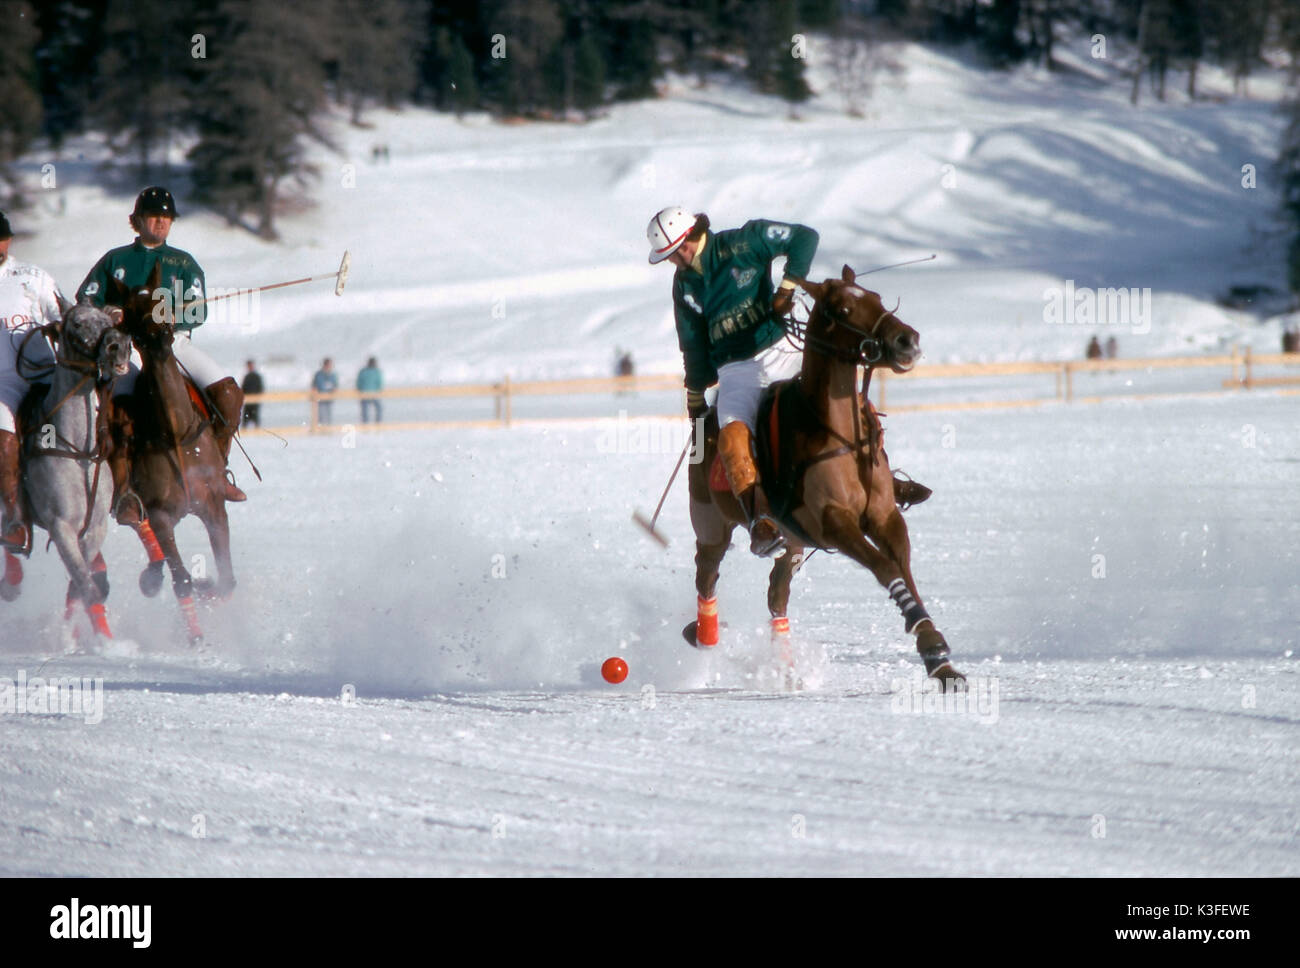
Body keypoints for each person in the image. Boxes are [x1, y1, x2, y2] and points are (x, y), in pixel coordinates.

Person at [647, 205, 818, 557]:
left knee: (832, 398)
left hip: (781, 350)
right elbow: (692, 342)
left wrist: (787, 287)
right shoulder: (684, 285)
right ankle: (760, 521)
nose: (671, 262)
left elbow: (805, 238)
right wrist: (695, 391)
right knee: (732, 437)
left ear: (685, 244)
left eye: (671, 255)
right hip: (735, 370)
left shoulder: (745, 241)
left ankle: (878, 474)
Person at [77, 186, 246, 523]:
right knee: (120, 409)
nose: (161, 223)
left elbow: (197, 311)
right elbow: (85, 300)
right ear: (137, 220)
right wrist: (107, 313)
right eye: (154, 217)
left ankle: (218, 472)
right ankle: (124, 490)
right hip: (129, 347)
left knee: (228, 393)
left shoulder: (182, 263)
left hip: (174, 345)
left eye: (166, 218)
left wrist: (173, 316)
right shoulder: (116, 260)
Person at [0, 211, 64, 549]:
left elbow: (63, 315)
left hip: (44, 375)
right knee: (4, 440)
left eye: (2, 237)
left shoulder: (33, 276)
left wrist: (59, 326)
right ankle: (15, 519)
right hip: (3, 384)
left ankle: (122, 490)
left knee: (75, 427)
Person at [356, 356, 383, 424]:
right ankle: (376, 423)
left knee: (366, 411)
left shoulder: (364, 371)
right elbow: (379, 383)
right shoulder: (376, 372)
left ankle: (367, 424)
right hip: (371, 393)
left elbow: (359, 382)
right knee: (377, 409)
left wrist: (360, 389)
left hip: (366, 393)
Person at [312, 358, 338, 425]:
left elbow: (335, 385)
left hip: (329, 399)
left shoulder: (332, 375)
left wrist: (333, 390)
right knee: (321, 416)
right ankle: (321, 430)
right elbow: (314, 385)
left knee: (328, 417)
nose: (330, 366)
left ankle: (328, 430)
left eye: (331, 365)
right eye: (329, 365)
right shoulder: (319, 374)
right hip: (320, 399)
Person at [241, 359, 264, 428]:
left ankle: (258, 435)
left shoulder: (257, 377)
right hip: (247, 402)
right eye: (248, 366)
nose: (249, 367)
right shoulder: (246, 377)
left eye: (250, 365)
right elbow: (243, 388)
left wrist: (256, 398)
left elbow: (260, 388)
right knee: (245, 421)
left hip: (255, 402)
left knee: (256, 420)